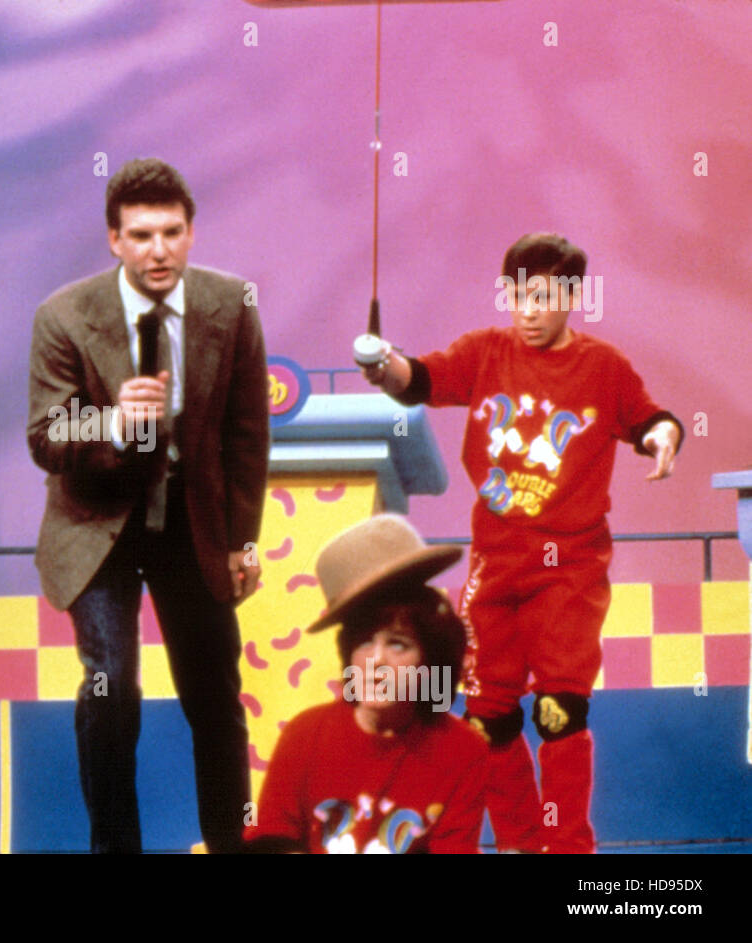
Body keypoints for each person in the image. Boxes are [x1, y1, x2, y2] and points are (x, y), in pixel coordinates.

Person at [359, 232, 683, 852]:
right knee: (486, 719)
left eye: (544, 297)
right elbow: (421, 377)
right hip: (497, 561)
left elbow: (648, 418)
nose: (529, 310)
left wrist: (665, 436)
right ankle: (521, 843)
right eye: (518, 296)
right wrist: (383, 365)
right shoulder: (485, 354)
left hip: (571, 567)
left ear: (573, 298)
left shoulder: (603, 367)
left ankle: (568, 849)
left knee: (559, 711)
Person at [27, 158, 270, 853]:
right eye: (140, 235)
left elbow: (247, 436)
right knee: (110, 686)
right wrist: (109, 423)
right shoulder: (65, 315)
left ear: (192, 233)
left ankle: (230, 843)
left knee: (215, 694)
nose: (157, 250)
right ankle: (115, 846)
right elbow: (46, 434)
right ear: (113, 240)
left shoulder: (232, 304)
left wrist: (242, 540)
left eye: (171, 232)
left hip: (190, 520)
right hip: (96, 521)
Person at [247, 514, 487, 854]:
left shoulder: (464, 750)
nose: (376, 662)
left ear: (430, 661)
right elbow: (270, 840)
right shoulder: (305, 735)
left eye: (398, 644)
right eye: (363, 643)